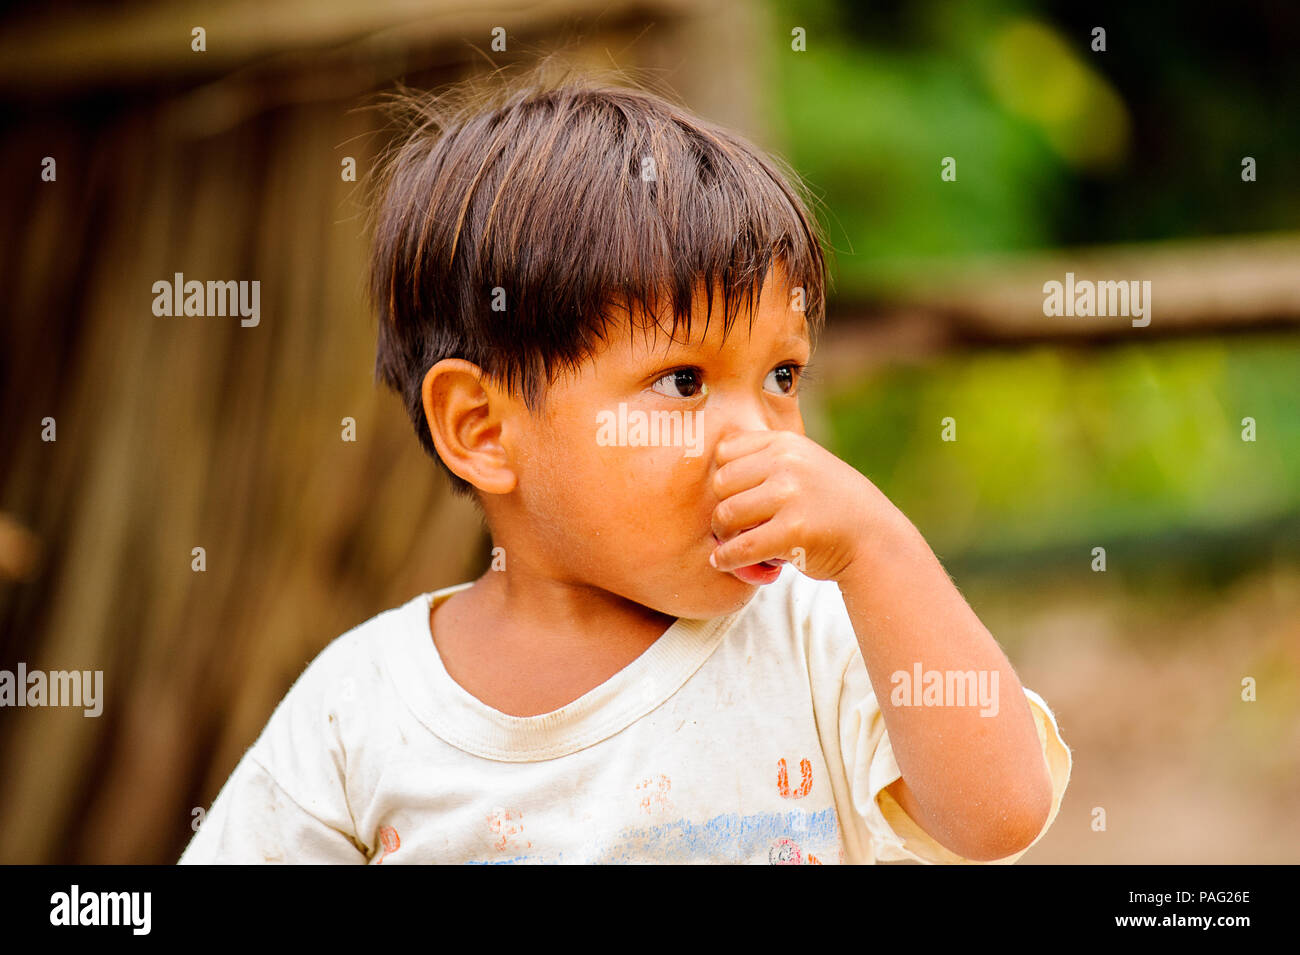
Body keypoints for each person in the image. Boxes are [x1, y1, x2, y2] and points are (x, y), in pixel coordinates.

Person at [179, 72, 1071, 865]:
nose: (759, 435)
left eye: (782, 376)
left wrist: (881, 547)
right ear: (484, 428)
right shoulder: (364, 708)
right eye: (683, 381)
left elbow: (1000, 816)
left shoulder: (811, 639)